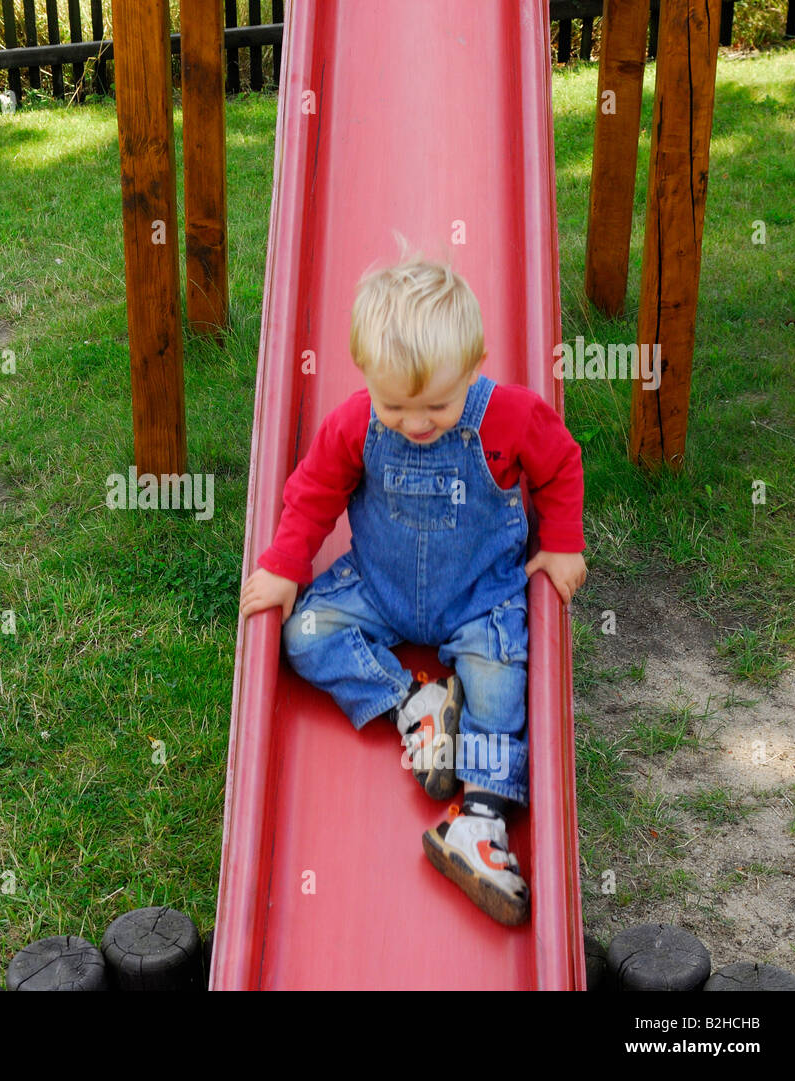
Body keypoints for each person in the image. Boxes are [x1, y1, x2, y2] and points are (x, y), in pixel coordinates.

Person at [239, 255, 587, 925]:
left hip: (478, 597)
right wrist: (286, 563)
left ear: (478, 363)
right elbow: (313, 492)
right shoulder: (354, 424)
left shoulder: (509, 417)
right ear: (364, 374)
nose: (418, 422)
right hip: (380, 587)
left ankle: (477, 821)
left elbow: (560, 463)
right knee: (303, 634)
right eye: (396, 404)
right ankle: (414, 704)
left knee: (496, 683)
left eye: (437, 404)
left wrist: (564, 542)